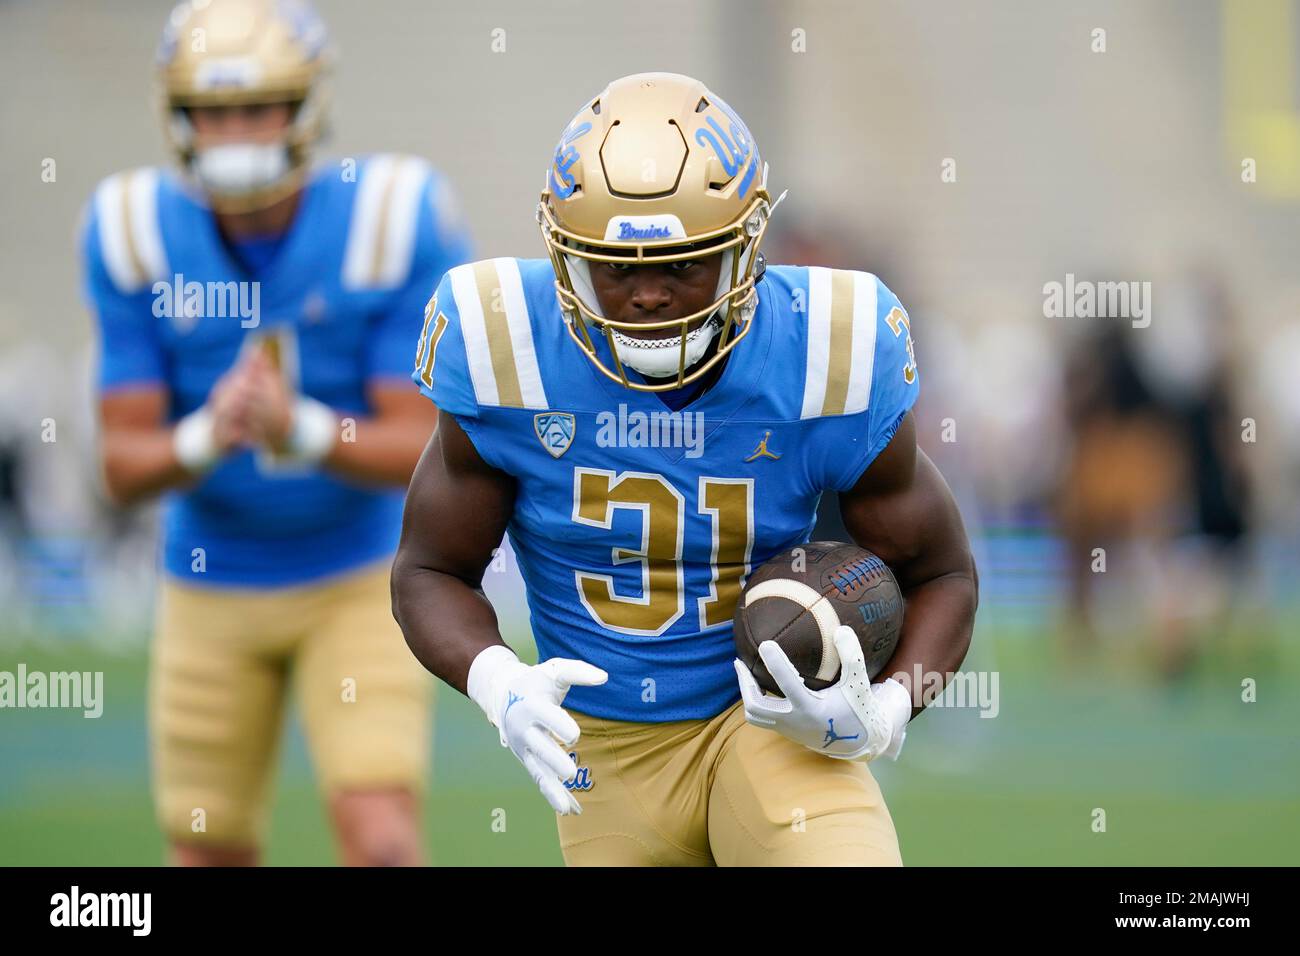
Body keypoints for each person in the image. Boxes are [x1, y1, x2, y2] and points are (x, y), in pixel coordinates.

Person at [392, 73, 976, 865]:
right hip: (604, 750)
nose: (648, 295)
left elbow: (942, 574)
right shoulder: (508, 350)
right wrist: (499, 681)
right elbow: (429, 568)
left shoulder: (824, 351)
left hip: (769, 722)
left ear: (745, 250)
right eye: (617, 267)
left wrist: (885, 709)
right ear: (566, 259)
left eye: (683, 264)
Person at [81, 0, 471, 865]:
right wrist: (205, 438)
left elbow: (425, 445)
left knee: (380, 840)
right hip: (208, 575)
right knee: (206, 847)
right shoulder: (134, 233)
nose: (233, 133)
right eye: (212, 112)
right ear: (177, 116)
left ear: (305, 105)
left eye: (255, 106)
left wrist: (298, 428)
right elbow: (119, 464)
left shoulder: (387, 216)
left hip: (359, 570)